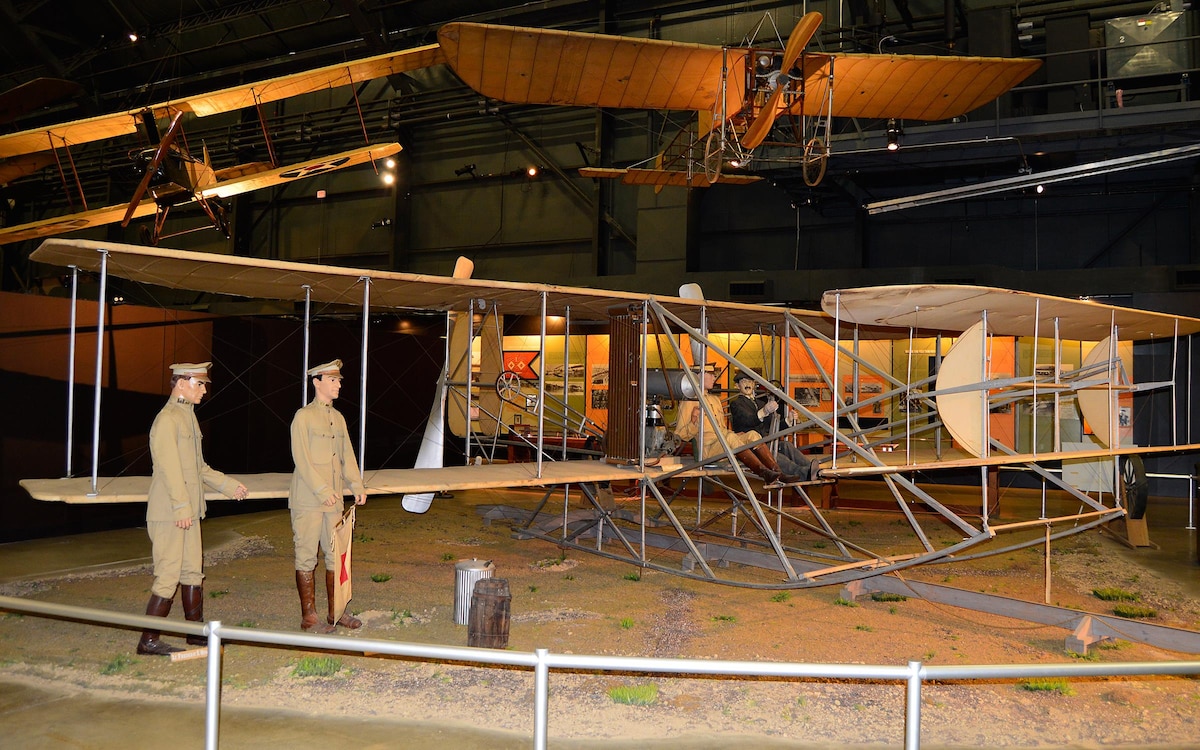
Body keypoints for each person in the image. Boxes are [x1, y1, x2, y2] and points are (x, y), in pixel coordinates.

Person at [140, 362, 248, 656]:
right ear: (181, 383)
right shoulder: (167, 420)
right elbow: (169, 469)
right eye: (199, 384)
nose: (203, 390)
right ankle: (148, 640)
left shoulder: (187, 417)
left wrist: (229, 486)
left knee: (192, 572)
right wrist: (180, 508)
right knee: (168, 574)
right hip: (171, 513)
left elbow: (198, 467)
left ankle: (195, 634)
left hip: (187, 512)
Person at [289, 358, 367, 633]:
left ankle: (337, 612)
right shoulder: (303, 417)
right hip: (308, 500)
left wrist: (357, 486)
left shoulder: (338, 418)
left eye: (339, 380)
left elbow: (347, 455)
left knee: (336, 556)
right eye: (333, 380)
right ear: (317, 382)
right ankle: (309, 617)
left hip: (333, 501)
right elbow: (301, 459)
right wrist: (322, 491)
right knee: (306, 556)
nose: (338, 385)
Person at [672, 370, 795, 484]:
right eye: (710, 374)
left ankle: (777, 472)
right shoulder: (690, 401)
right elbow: (681, 435)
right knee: (731, 437)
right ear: (699, 376)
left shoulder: (715, 400)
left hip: (724, 443)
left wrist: (735, 436)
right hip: (708, 449)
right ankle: (763, 472)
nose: (714, 377)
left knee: (752, 435)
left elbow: (722, 429)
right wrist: (693, 420)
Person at [728, 371, 817, 482]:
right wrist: (764, 412)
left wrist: (788, 420)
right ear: (737, 386)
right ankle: (805, 473)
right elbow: (748, 420)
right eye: (744, 382)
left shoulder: (760, 403)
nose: (748, 384)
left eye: (750, 381)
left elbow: (773, 427)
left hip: (765, 442)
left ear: (754, 384)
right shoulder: (736, 404)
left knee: (786, 445)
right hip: (751, 447)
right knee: (774, 455)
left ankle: (812, 469)